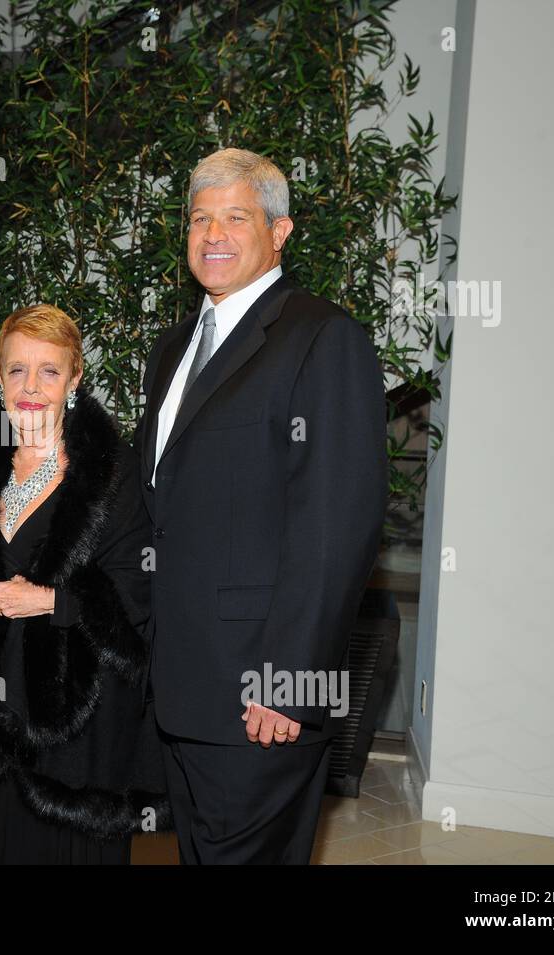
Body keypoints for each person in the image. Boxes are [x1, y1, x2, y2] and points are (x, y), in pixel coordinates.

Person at [137, 147, 387, 864]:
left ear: (280, 231)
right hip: (180, 685)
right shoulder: (174, 347)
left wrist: (290, 678)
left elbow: (336, 526)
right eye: (199, 219)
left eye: (235, 217)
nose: (212, 234)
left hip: (260, 693)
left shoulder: (320, 337)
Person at [0, 304, 168, 864]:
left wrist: (55, 601)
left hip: (80, 724)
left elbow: (140, 596)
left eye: (49, 370)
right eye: (17, 370)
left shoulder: (113, 474)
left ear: (76, 378)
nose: (31, 387)